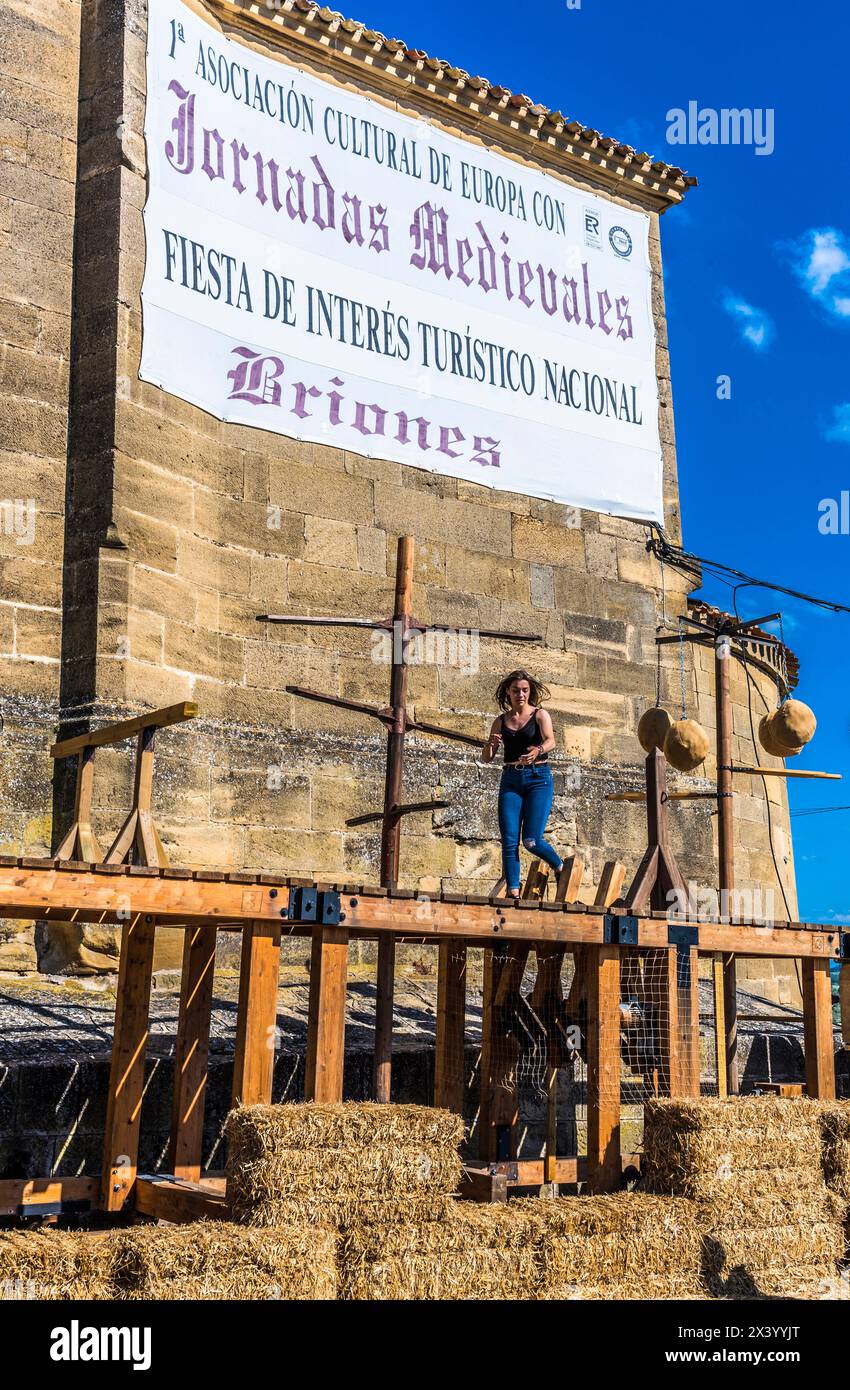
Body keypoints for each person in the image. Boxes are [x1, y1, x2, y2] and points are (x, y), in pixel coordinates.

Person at [482, 669, 562, 898]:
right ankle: (513, 892)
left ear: (530, 692)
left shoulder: (539, 715)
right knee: (508, 840)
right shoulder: (501, 721)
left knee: (531, 840)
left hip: (538, 778)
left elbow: (551, 741)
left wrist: (537, 751)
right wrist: (491, 743)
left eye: (525, 690)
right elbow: (486, 758)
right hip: (511, 780)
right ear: (508, 691)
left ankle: (559, 867)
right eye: (516, 690)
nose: (521, 694)